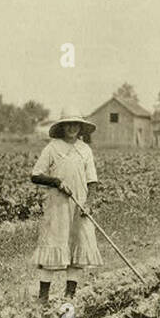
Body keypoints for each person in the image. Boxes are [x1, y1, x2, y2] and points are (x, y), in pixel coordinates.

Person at [30, 108, 103, 302]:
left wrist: (89, 203)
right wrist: (56, 182)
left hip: (79, 206)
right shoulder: (52, 148)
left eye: (76, 124)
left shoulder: (85, 149)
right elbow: (35, 175)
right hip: (58, 205)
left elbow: (92, 181)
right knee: (53, 247)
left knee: (77, 250)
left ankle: (69, 298)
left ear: (81, 128)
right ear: (62, 127)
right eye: (68, 124)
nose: (72, 128)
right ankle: (43, 299)